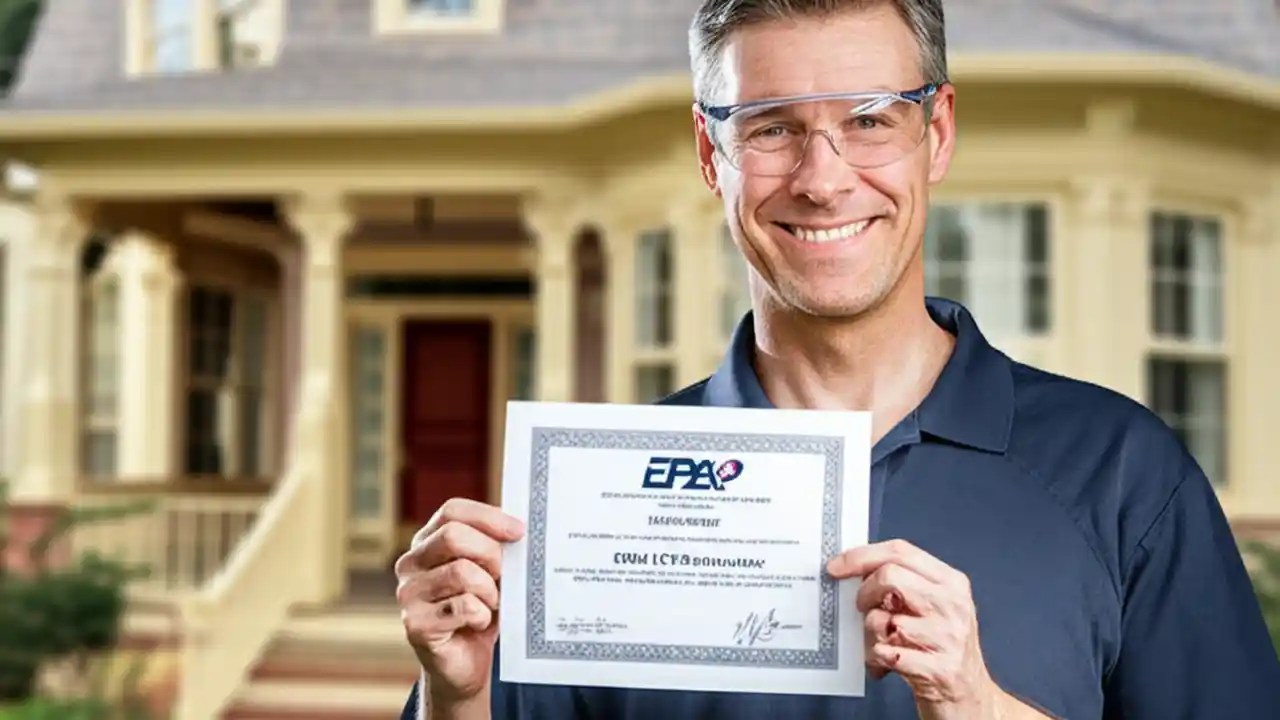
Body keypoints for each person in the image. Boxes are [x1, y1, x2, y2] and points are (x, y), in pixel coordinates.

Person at [394, 1, 1280, 718]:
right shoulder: (599, 497)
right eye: (771, 128)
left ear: (936, 135)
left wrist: (976, 706)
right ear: (713, 154)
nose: (823, 178)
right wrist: (457, 694)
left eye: (868, 120)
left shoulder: (1123, 472)